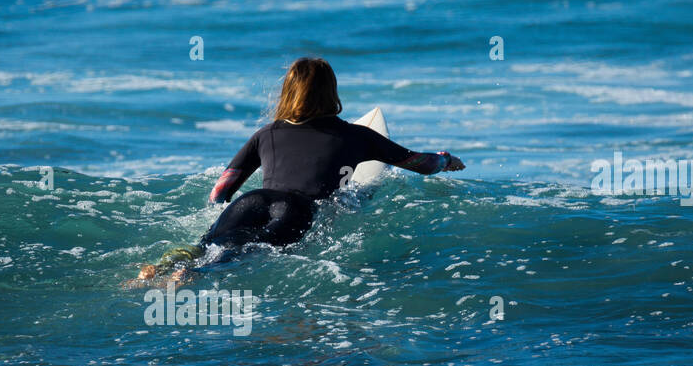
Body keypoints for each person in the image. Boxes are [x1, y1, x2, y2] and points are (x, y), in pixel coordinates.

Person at [139, 57, 465, 279]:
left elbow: (221, 190)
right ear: (332, 93)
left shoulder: (265, 134)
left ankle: (160, 270)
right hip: (297, 209)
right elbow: (419, 163)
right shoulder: (357, 136)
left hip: (251, 201)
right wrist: (446, 159)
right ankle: (194, 277)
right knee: (244, 255)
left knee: (206, 247)